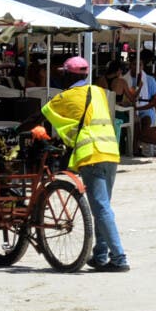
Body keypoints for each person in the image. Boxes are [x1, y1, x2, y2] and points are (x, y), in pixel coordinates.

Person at [41, 56, 128, 272]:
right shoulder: (98, 91)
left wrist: (18, 130)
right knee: (104, 206)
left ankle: (119, 258)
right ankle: (99, 256)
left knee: (100, 207)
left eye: (63, 73)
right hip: (111, 152)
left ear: (69, 75)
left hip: (92, 154)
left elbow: (40, 115)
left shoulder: (65, 97)